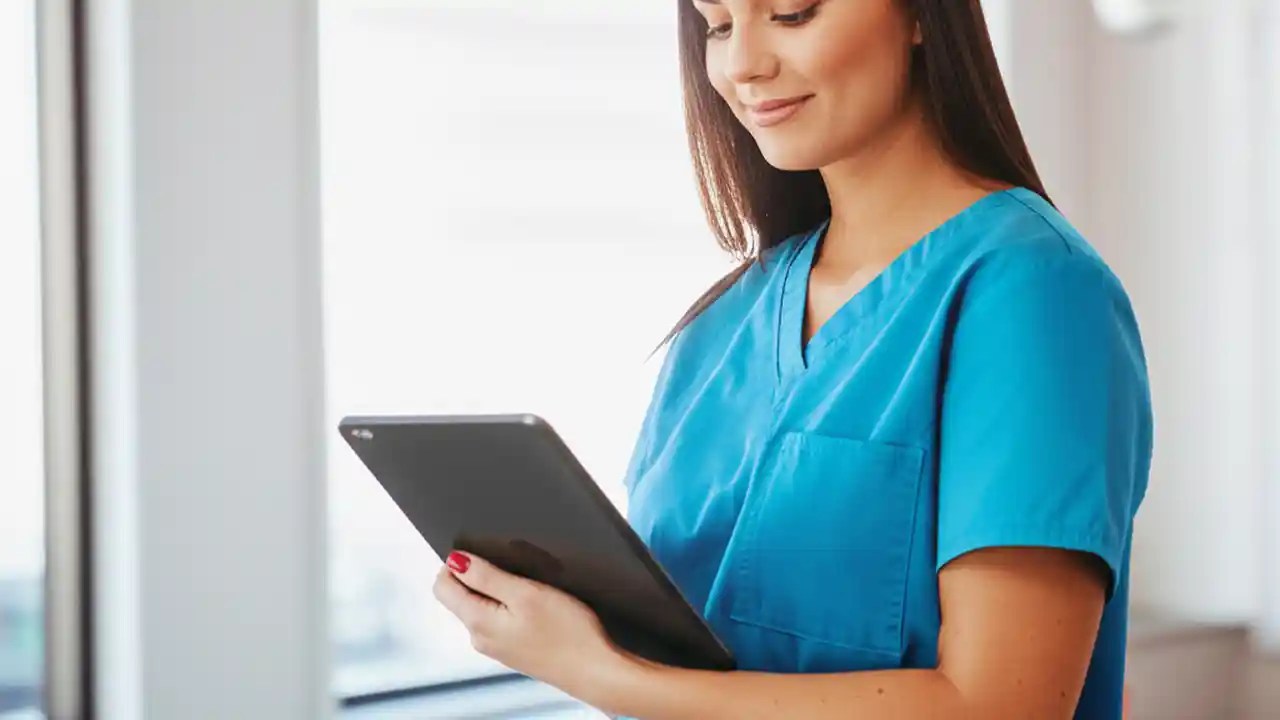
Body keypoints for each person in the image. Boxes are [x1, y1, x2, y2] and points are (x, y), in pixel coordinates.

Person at [433, 1, 1153, 717]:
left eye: (791, 12)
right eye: (717, 25)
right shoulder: (724, 321)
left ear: (919, 15)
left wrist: (601, 674)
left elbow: (1002, 705)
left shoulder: (1030, 291)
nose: (742, 63)